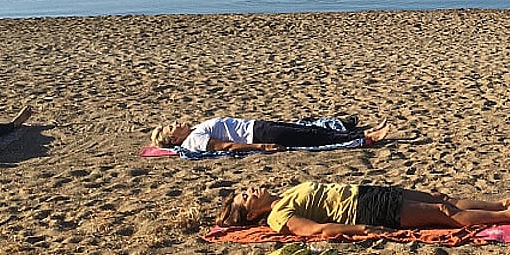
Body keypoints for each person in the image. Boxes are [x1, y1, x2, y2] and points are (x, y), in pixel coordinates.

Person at [216, 178, 510, 236]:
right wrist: (362, 228)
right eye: (246, 197)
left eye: (245, 191)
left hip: (366, 193)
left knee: (440, 199)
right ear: (253, 214)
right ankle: (509, 216)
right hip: (365, 211)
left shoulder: (282, 196)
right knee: (440, 215)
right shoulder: (278, 217)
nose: (251, 191)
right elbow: (318, 230)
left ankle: (501, 202)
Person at [150, 116, 390, 153]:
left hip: (257, 126)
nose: (176, 123)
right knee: (312, 138)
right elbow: (225, 146)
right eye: (171, 127)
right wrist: (260, 147)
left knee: (309, 130)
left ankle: (363, 131)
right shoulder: (193, 140)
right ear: (174, 140)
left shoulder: (194, 130)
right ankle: (365, 139)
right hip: (258, 135)